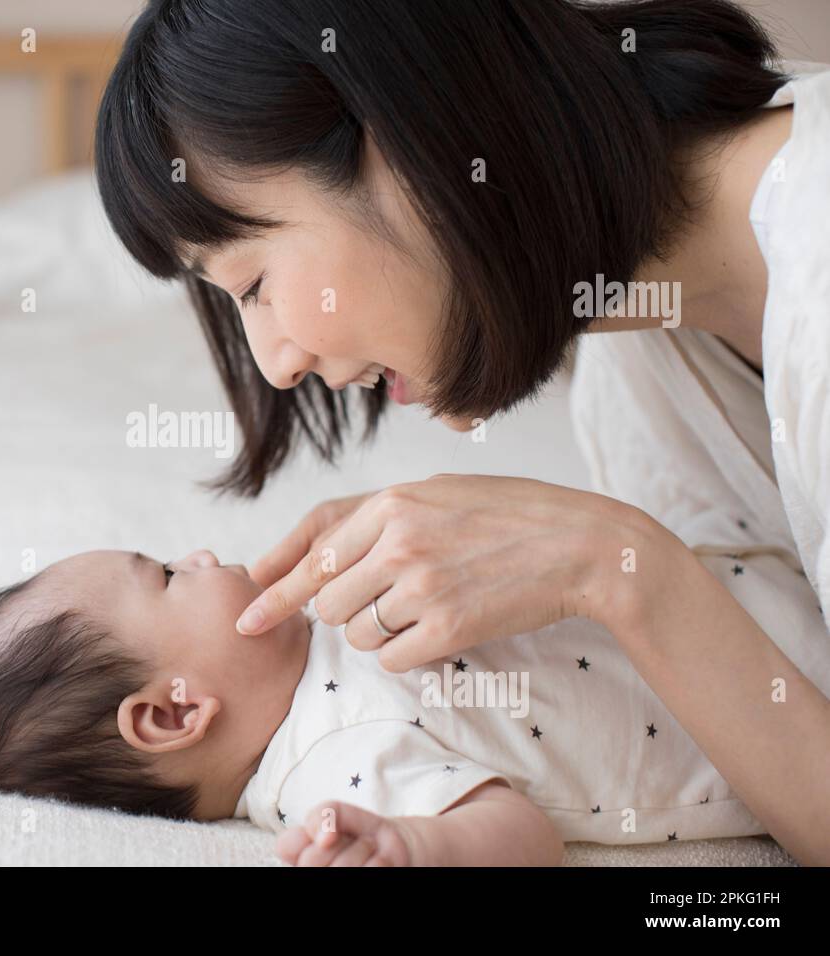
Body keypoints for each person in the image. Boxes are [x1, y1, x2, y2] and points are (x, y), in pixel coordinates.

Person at [93, 0, 830, 862]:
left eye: (251, 283)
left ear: (410, 141)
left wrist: (610, 563)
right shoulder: (635, 357)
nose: (275, 366)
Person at [0, 541, 827, 865]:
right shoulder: (337, 763)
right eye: (171, 574)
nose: (207, 555)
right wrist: (417, 847)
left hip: (758, 592)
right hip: (784, 701)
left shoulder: (306, 645)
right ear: (176, 714)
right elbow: (522, 840)